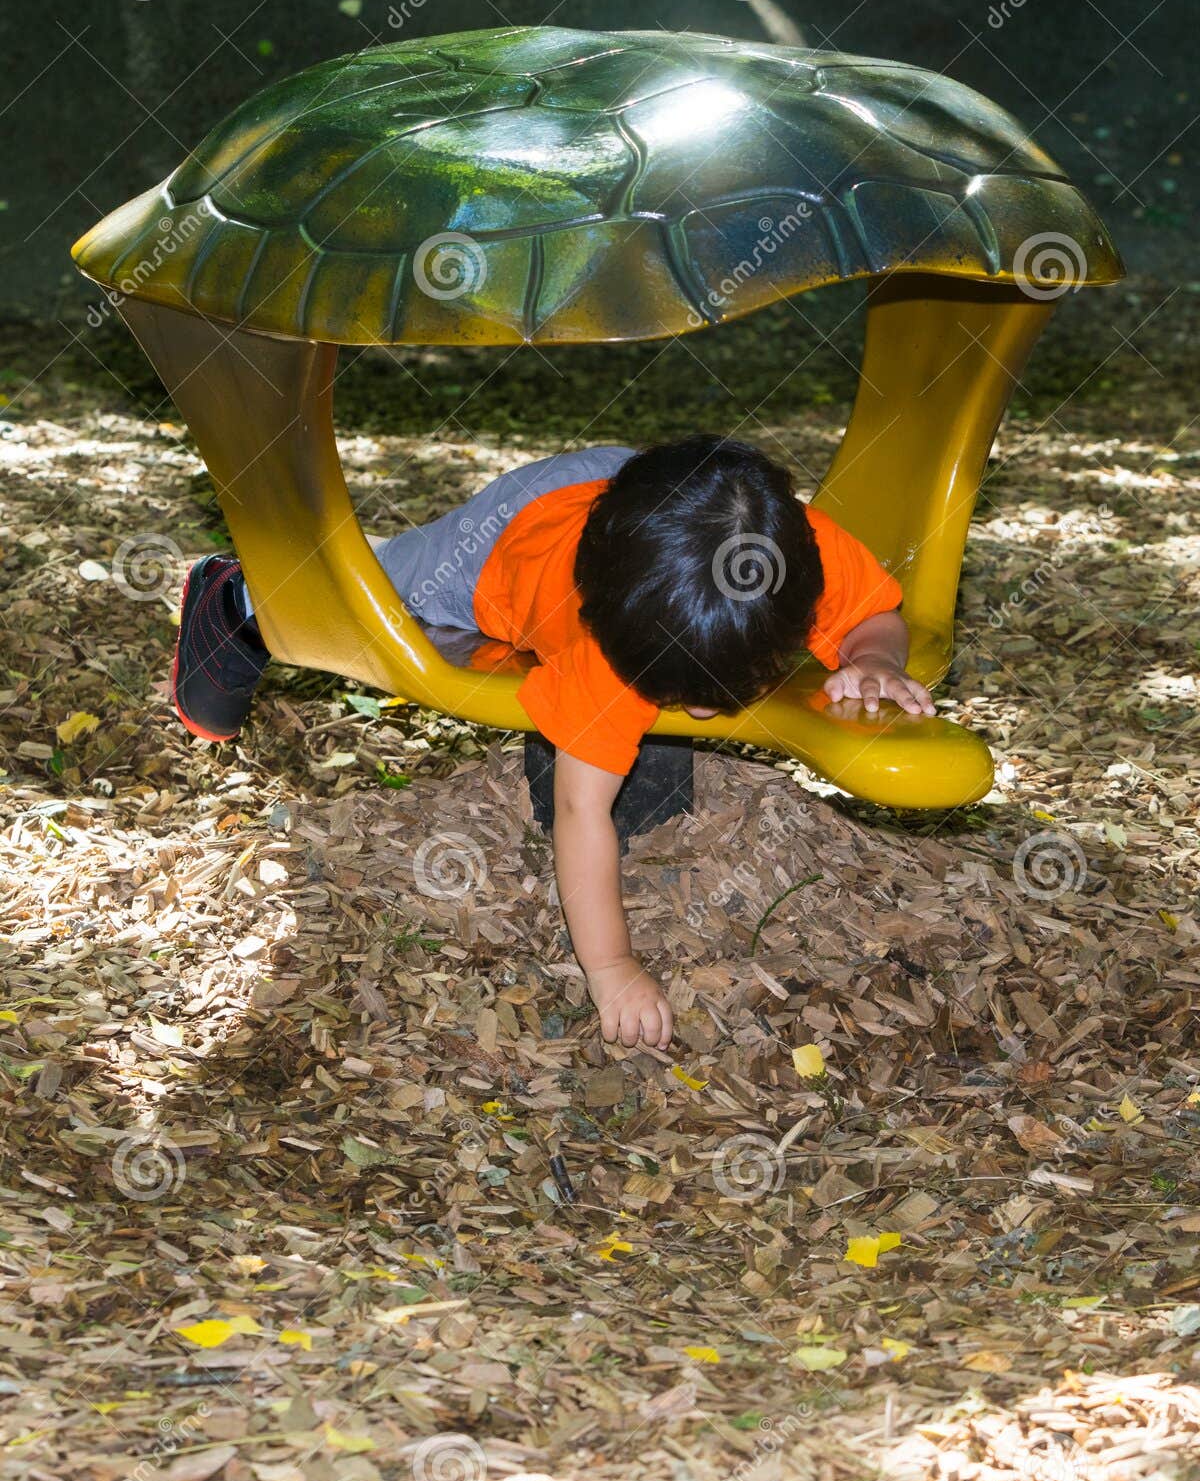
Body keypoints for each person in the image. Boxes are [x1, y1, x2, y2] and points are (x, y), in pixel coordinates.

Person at [172, 435, 934, 1050]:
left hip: (653, 500)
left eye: (727, 694)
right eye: (683, 697)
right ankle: (233, 594)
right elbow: (581, 813)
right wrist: (612, 967)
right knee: (373, 588)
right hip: (513, 535)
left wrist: (873, 659)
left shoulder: (795, 554)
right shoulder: (604, 657)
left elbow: (876, 614)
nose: (705, 720)